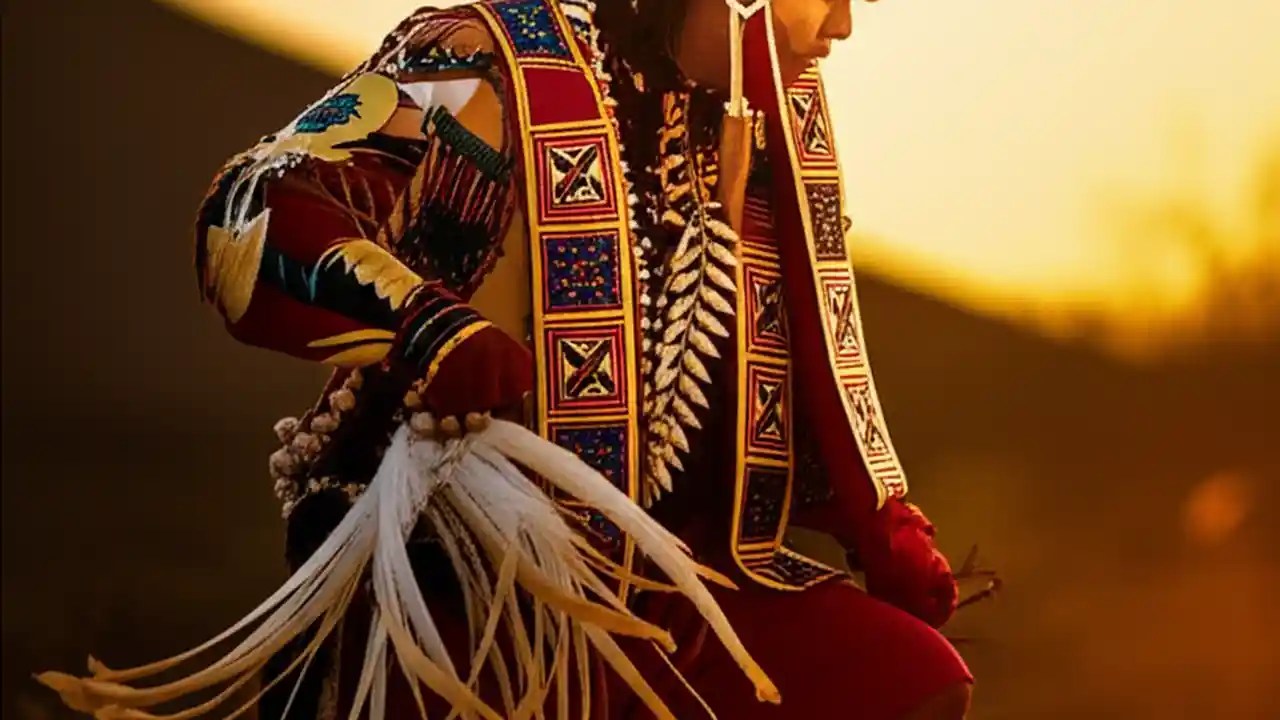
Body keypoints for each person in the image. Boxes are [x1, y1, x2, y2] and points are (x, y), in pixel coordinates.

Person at [40, 1, 974, 718]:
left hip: (685, 594)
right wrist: (427, 329)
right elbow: (247, 212)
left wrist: (871, 519)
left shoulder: (761, 118)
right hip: (472, 594)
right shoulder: (485, 62)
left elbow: (750, 394)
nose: (845, 24)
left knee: (909, 678)